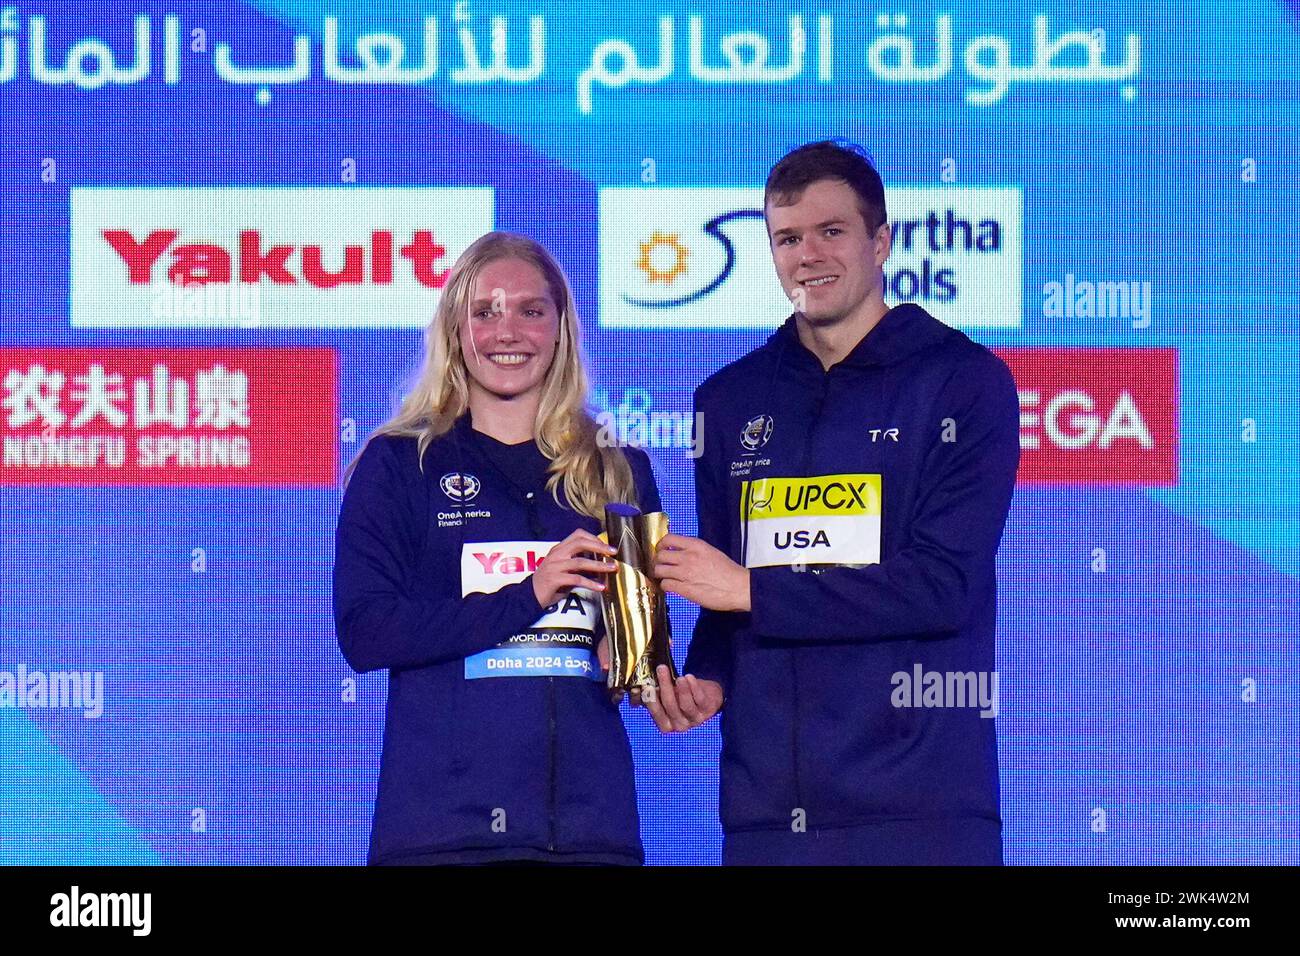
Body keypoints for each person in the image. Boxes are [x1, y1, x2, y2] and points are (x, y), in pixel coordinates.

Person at [646, 139, 1021, 865]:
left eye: (831, 232)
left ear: (881, 242)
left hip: (923, 810)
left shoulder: (964, 384)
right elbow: (732, 600)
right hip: (765, 816)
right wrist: (705, 680)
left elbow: (941, 587)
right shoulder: (728, 401)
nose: (808, 255)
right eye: (787, 238)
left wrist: (749, 589)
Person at [333, 231, 660, 865]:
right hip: (443, 837)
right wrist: (531, 592)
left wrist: (658, 681)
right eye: (485, 312)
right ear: (456, 329)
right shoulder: (399, 464)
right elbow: (367, 631)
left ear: (561, 327)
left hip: (590, 837)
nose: (507, 332)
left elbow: (631, 653)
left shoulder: (619, 472)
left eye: (530, 311)